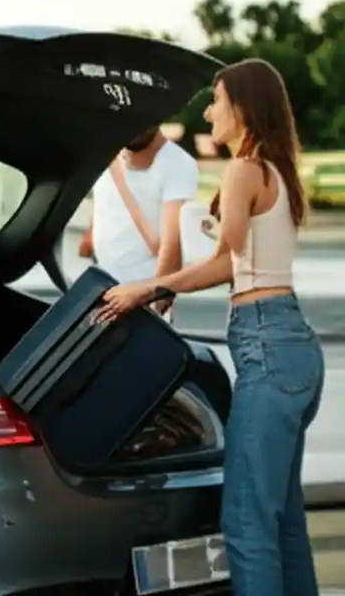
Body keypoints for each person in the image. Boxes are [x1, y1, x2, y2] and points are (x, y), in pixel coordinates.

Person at [95, 58, 324, 596]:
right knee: (281, 521)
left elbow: (227, 263)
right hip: (290, 347)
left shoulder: (245, 169)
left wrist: (149, 287)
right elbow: (237, 254)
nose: (208, 108)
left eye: (217, 99)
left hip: (267, 346)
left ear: (242, 107)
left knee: (246, 522)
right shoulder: (276, 170)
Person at [85, 124, 200, 315]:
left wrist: (157, 300)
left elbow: (171, 243)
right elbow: (106, 199)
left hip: (140, 297)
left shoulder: (177, 163)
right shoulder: (108, 154)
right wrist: (91, 231)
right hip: (102, 286)